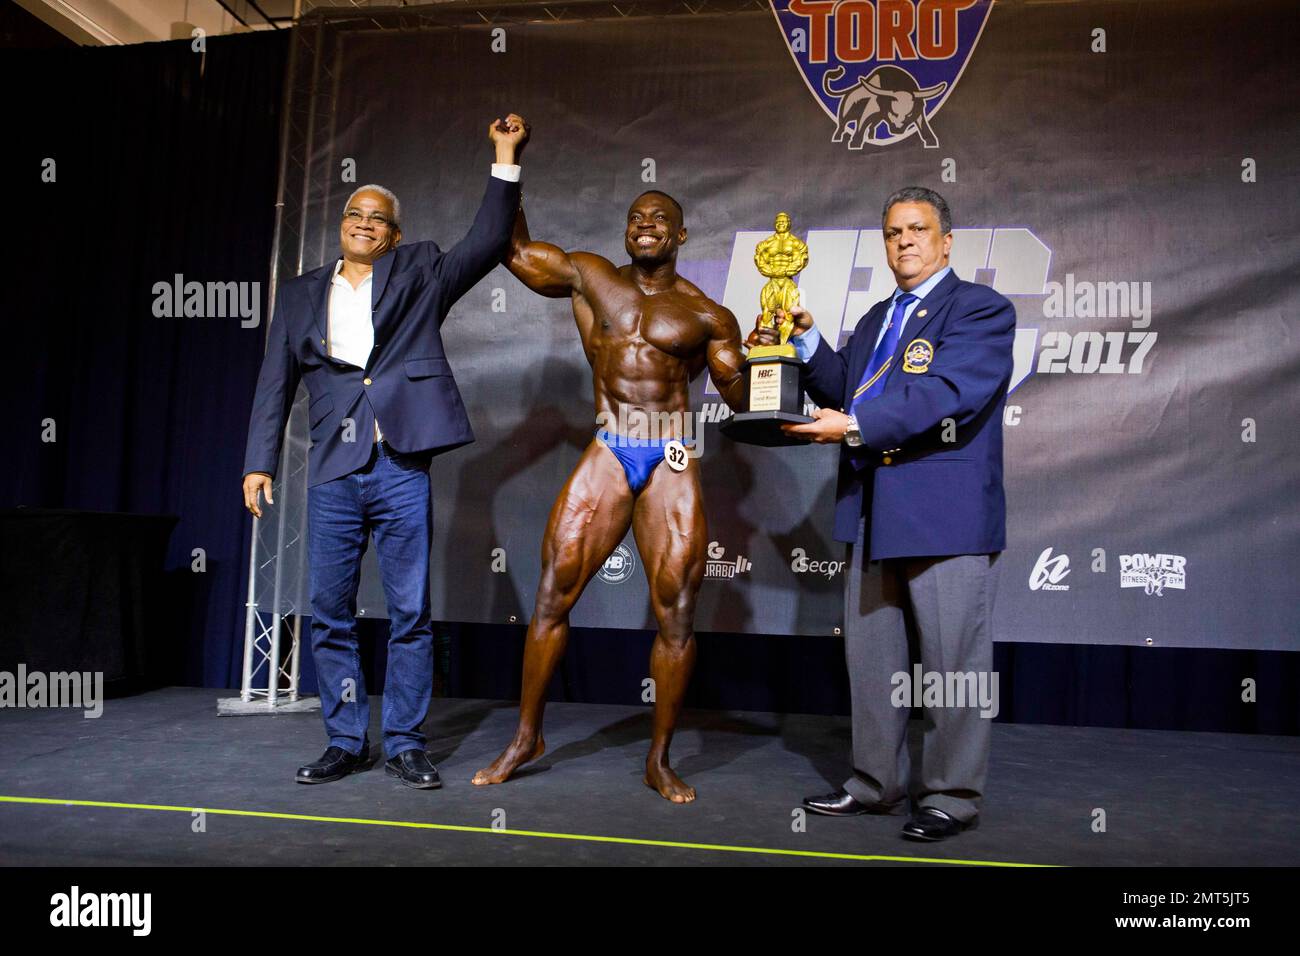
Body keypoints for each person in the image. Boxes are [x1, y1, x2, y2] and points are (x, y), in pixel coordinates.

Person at [241, 114, 530, 789]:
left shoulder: (421, 272)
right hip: (333, 472)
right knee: (330, 611)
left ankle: (403, 740)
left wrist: (505, 154)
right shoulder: (302, 293)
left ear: (394, 236)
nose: (364, 221)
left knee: (409, 614)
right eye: (355, 213)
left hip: (401, 465)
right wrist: (259, 461)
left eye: (379, 218)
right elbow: (274, 383)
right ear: (342, 224)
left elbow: (488, 238)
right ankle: (345, 739)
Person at [471, 190, 748, 802]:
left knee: (676, 608)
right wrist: (508, 163)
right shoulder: (590, 277)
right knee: (553, 589)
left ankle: (659, 758)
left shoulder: (709, 314)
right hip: (611, 443)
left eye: (660, 221)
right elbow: (514, 251)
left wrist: (761, 356)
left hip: (671, 448)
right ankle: (527, 736)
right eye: (636, 218)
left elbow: (740, 399)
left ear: (680, 235)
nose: (645, 226)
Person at [759, 186, 1015, 841]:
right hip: (872, 511)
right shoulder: (876, 318)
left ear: (946, 240)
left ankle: (953, 796)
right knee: (874, 664)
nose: (904, 241)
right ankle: (874, 785)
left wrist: (854, 426)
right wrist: (809, 341)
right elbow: (851, 389)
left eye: (917, 229)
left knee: (954, 667)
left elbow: (945, 392)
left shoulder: (980, 310)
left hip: (944, 517)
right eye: (893, 231)